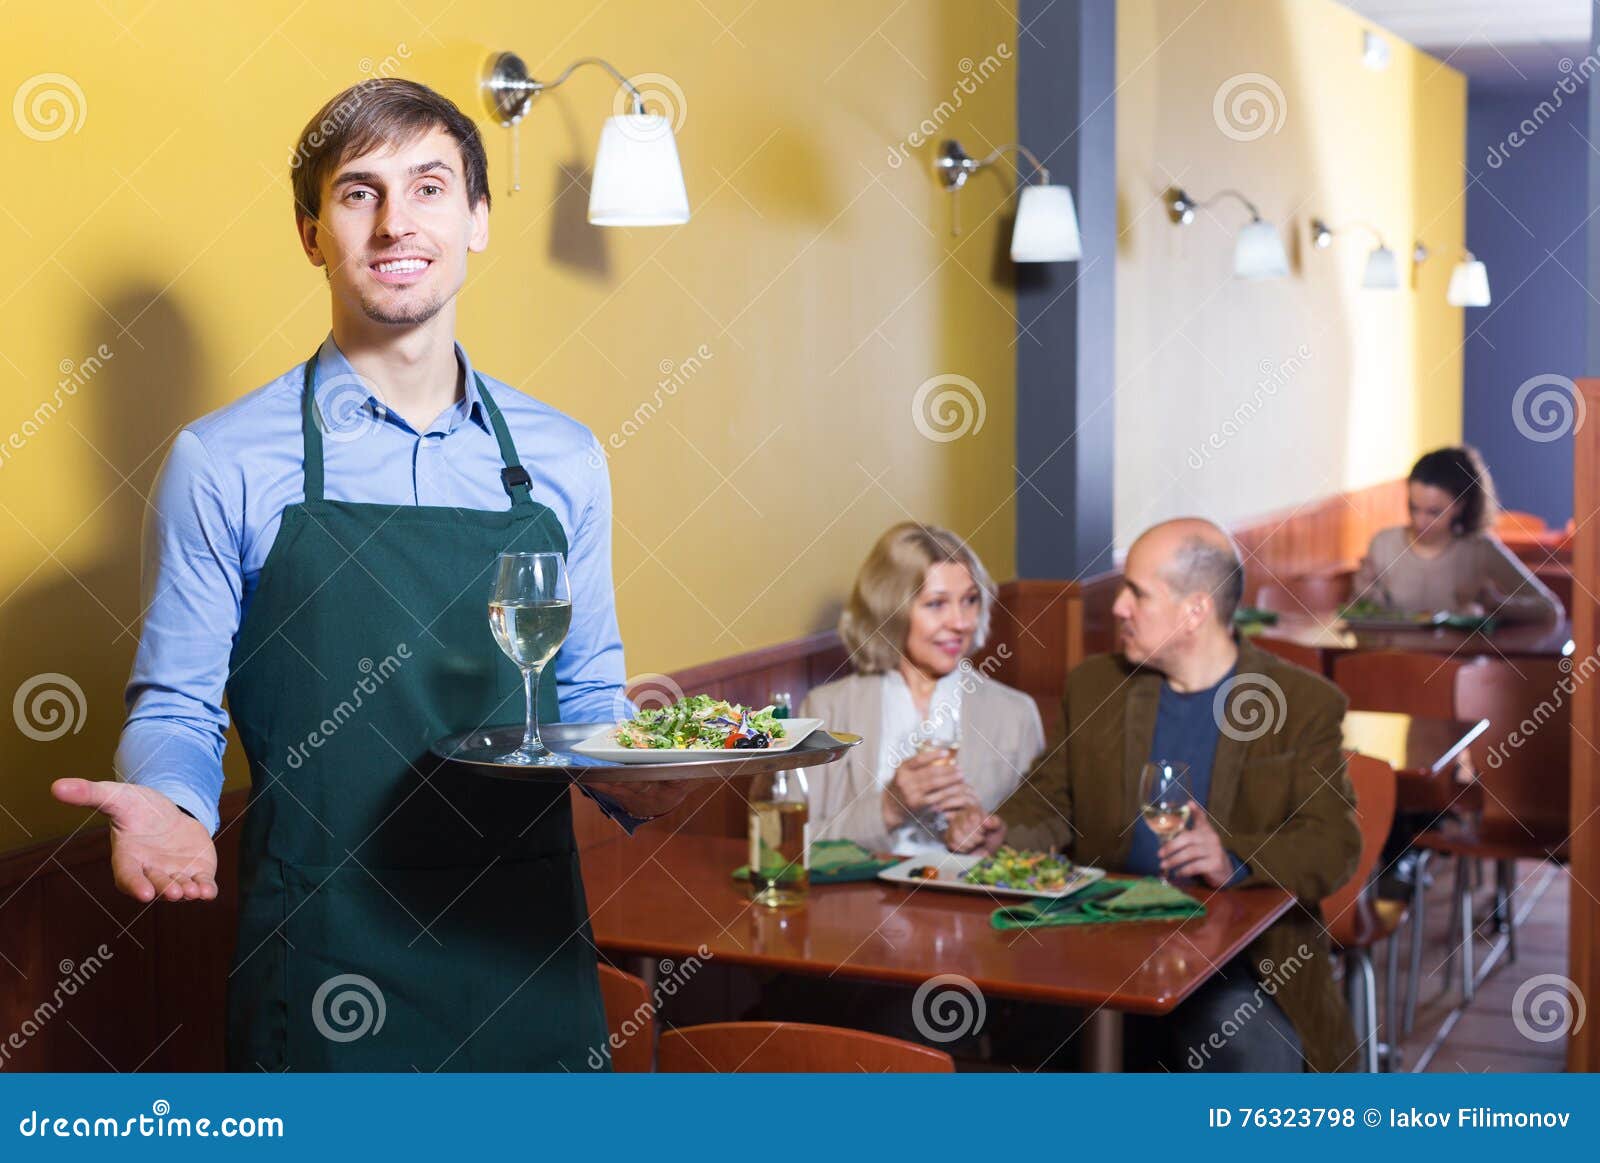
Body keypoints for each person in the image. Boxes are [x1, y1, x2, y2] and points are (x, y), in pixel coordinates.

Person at [50, 79, 687, 1072]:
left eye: (430, 187)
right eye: (359, 193)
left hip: (526, 956)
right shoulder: (223, 460)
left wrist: (660, 777)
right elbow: (175, 707)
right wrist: (171, 802)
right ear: (312, 233)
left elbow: (590, 694)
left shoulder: (565, 458)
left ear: (477, 219)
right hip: (323, 957)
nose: (397, 222)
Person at [1000, 518, 1361, 1072]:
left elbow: (1332, 844)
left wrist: (1234, 859)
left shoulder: (1301, 702)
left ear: (1195, 611)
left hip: (1240, 964)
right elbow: (1048, 800)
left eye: (1137, 593)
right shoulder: (1097, 686)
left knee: (1246, 1055)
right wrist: (998, 833)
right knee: (996, 1036)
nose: (1118, 607)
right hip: (1100, 947)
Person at [802, 522, 1044, 855]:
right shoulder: (827, 710)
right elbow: (786, 848)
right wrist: (888, 807)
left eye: (970, 600)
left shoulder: (1015, 714)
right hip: (858, 904)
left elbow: (1039, 851)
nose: (960, 622)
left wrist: (994, 840)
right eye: (936, 604)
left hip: (971, 904)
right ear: (890, 611)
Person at [1351, 446, 1562, 622]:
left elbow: (1549, 608)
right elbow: (1368, 616)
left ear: (1460, 505)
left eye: (1434, 512)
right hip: (1394, 663)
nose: (1420, 521)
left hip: (1461, 666)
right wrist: (1363, 592)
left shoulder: (1480, 549)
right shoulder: (1383, 544)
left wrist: (1495, 604)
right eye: (1414, 508)